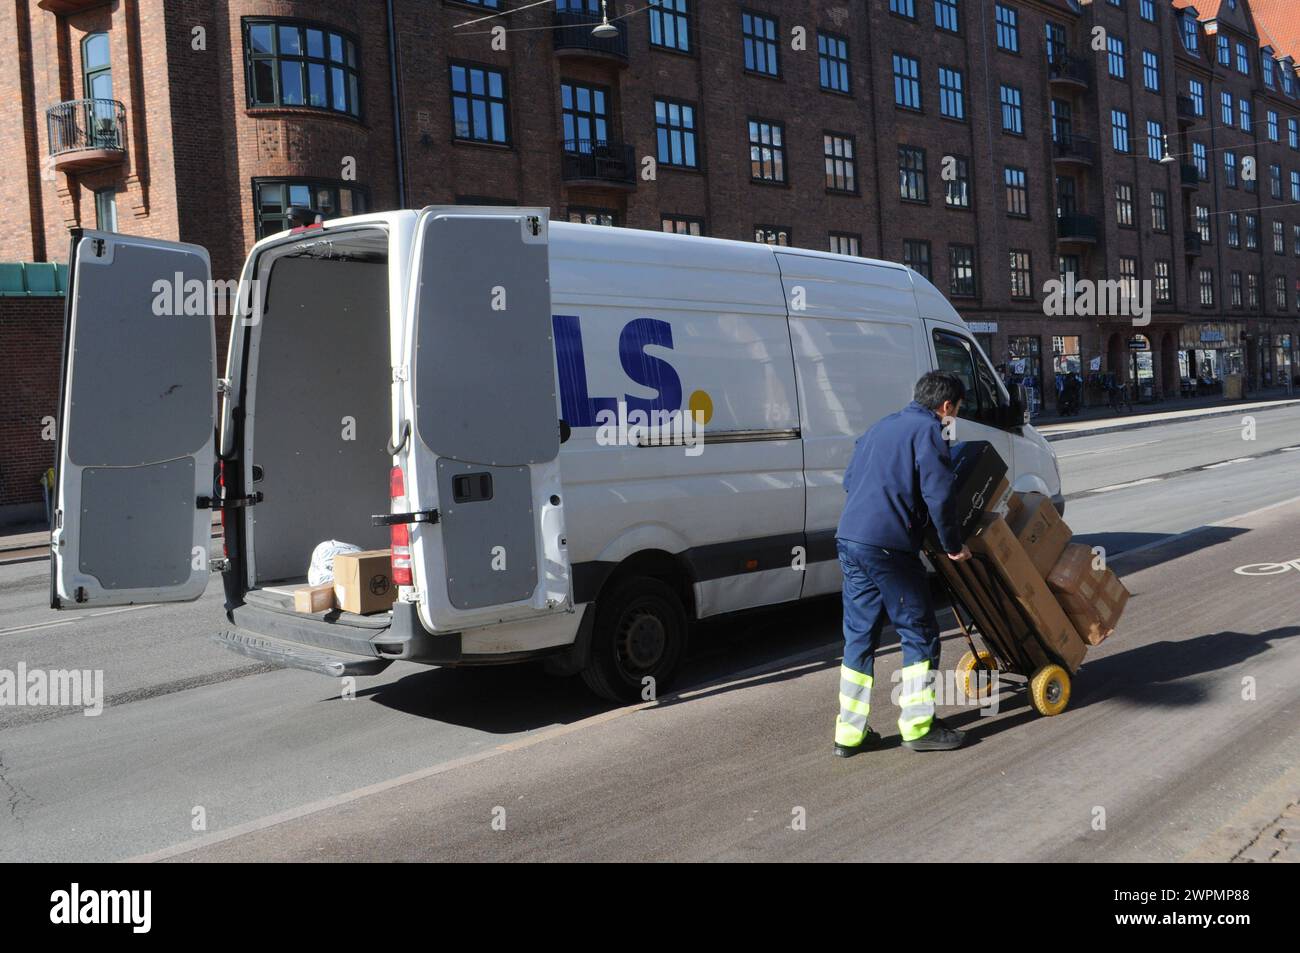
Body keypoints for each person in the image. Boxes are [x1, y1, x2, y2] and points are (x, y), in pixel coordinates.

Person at [833, 371, 971, 757]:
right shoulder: (930, 431)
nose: (952, 419)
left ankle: (849, 733)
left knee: (859, 637)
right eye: (955, 412)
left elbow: (849, 480)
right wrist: (952, 545)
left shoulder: (882, 426)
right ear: (946, 406)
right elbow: (940, 494)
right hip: (888, 547)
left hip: (850, 539)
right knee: (919, 631)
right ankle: (918, 727)